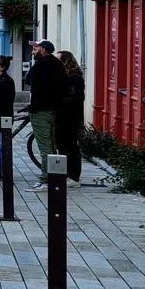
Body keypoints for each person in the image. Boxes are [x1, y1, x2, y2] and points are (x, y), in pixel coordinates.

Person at [25, 40, 63, 192]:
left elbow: (30, 81)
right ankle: (51, 177)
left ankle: (46, 179)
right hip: (51, 109)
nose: (33, 51)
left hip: (41, 110)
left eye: (36, 48)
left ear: (44, 50)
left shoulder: (43, 65)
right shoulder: (56, 64)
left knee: (45, 146)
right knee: (50, 144)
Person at [55, 50, 85, 188]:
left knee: (70, 146)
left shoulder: (74, 78)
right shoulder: (64, 76)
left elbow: (76, 98)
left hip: (71, 117)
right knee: (62, 145)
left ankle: (73, 176)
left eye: (59, 60)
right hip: (63, 116)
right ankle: (66, 174)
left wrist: (59, 101)